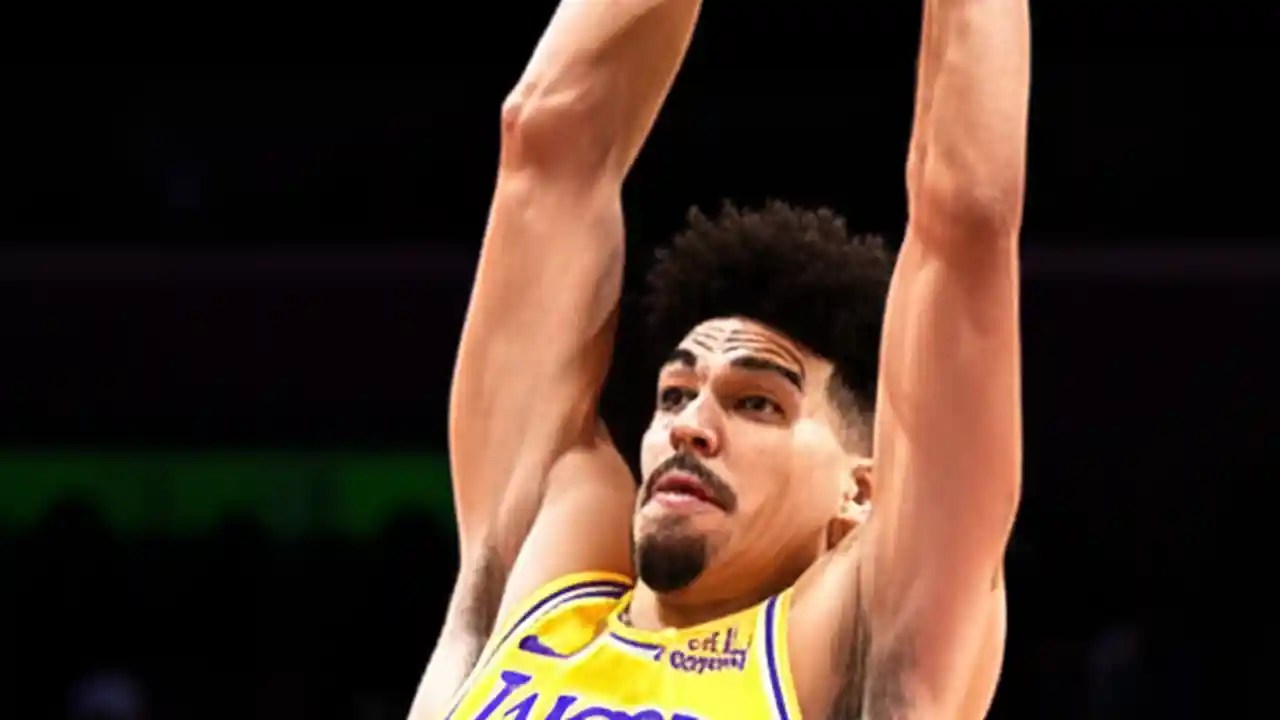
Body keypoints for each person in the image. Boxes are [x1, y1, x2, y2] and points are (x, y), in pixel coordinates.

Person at [409, 0, 1029, 716]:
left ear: (860, 492)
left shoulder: (843, 652)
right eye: (674, 394)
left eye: (757, 403)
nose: (689, 426)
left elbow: (969, 210)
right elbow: (550, 130)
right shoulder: (535, 589)